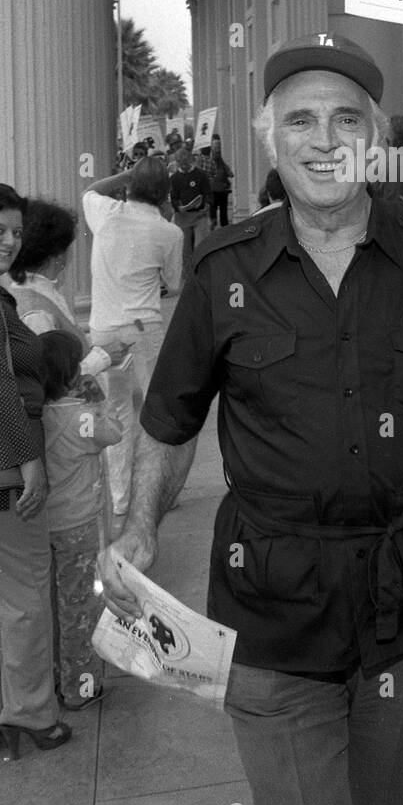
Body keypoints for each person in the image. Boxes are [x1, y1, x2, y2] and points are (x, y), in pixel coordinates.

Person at [99, 31, 403, 805]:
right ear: (272, 139)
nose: (325, 141)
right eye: (301, 121)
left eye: (346, 120)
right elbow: (170, 419)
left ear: (375, 141)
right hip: (273, 605)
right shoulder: (222, 271)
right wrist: (139, 529)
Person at [0, 180, 71, 760]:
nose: (9, 241)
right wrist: (27, 460)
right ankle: (32, 713)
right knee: (27, 588)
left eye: (16, 233)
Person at [81, 158, 182, 530]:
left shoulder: (106, 212)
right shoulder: (169, 232)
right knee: (155, 413)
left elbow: (89, 191)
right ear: (166, 196)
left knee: (117, 413)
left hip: (104, 329)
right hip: (144, 327)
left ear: (129, 187)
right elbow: (173, 283)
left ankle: (121, 497)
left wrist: (126, 175)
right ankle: (156, 493)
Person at [39, 330, 121, 711]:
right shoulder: (82, 419)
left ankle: (55, 679)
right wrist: (99, 400)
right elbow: (114, 432)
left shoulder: (39, 415)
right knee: (82, 609)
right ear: (73, 372)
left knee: (54, 606)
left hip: (44, 525)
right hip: (79, 528)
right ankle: (82, 688)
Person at [4, 198, 130, 388]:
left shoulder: (37, 292)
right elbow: (52, 380)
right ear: (57, 255)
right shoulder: (36, 312)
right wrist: (103, 357)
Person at [170, 146, 211, 278]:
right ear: (177, 163)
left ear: (190, 160)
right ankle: (187, 273)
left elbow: (207, 192)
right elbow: (174, 197)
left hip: (199, 214)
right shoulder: (175, 178)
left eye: (186, 162)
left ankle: (201, 270)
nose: (184, 165)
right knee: (184, 247)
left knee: (200, 244)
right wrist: (178, 207)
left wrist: (207, 204)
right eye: (181, 163)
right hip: (183, 216)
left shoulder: (200, 175)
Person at [206, 134, 234, 228]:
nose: (218, 149)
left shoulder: (218, 160)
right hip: (216, 189)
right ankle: (218, 227)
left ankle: (217, 227)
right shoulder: (213, 160)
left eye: (219, 147)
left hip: (219, 189)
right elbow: (230, 173)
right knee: (218, 212)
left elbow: (230, 173)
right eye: (216, 147)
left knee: (220, 212)